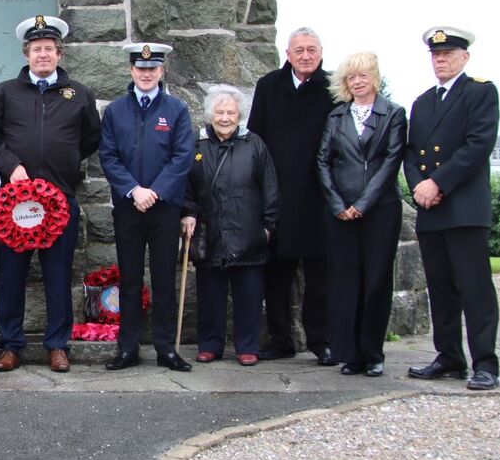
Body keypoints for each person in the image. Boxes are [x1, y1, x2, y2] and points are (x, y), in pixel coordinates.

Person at [0, 15, 101, 373]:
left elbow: (91, 138)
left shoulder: (79, 94)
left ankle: (58, 345)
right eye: (36, 49)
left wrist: (67, 161)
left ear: (59, 53)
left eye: (48, 48)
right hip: (14, 204)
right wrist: (11, 166)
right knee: (11, 277)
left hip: (60, 202)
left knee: (58, 277)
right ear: (26, 54)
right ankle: (10, 345)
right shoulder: (4, 92)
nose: (42, 54)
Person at [404, 27, 500, 390]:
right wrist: (418, 185)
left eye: (447, 54)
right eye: (436, 55)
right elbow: (411, 153)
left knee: (475, 288)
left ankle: (485, 362)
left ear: (464, 57)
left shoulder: (480, 92)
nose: (440, 60)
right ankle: (449, 357)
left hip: (464, 208)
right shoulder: (423, 102)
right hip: (432, 209)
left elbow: (477, 146)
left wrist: (438, 183)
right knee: (440, 288)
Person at [99, 43, 195, 371]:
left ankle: (166, 350)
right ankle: (128, 349)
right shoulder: (115, 111)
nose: (146, 73)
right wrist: (134, 190)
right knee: (130, 280)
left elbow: (183, 156)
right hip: (129, 207)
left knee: (164, 278)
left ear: (161, 71)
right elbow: (108, 157)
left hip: (164, 207)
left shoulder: (177, 109)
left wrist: (154, 192)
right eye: (141, 68)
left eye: (152, 68)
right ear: (131, 70)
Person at [246, 27, 335, 365]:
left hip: (318, 198)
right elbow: (255, 140)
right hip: (276, 196)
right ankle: (280, 339)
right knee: (276, 277)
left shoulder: (334, 88)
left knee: (319, 278)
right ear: (288, 53)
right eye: (299, 50)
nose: (306, 55)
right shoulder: (269, 86)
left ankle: (321, 341)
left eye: (312, 49)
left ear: (321, 52)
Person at [316, 52, 407, 377]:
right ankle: (350, 353)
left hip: (380, 209)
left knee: (376, 282)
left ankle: (373, 352)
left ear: (374, 78)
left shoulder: (394, 114)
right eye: (351, 77)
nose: (357, 82)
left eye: (363, 76)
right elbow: (323, 161)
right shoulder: (336, 115)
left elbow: (391, 161)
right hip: (340, 211)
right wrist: (337, 204)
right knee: (346, 282)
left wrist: (363, 204)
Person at [180, 85, 279, 366]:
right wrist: (188, 213)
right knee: (210, 295)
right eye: (220, 112)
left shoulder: (254, 144)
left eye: (231, 113)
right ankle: (210, 344)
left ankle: (247, 346)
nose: (225, 118)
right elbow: (185, 185)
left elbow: (270, 186)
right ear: (210, 114)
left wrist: (268, 227)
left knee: (249, 294)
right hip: (209, 231)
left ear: (239, 116)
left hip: (248, 231)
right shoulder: (196, 144)